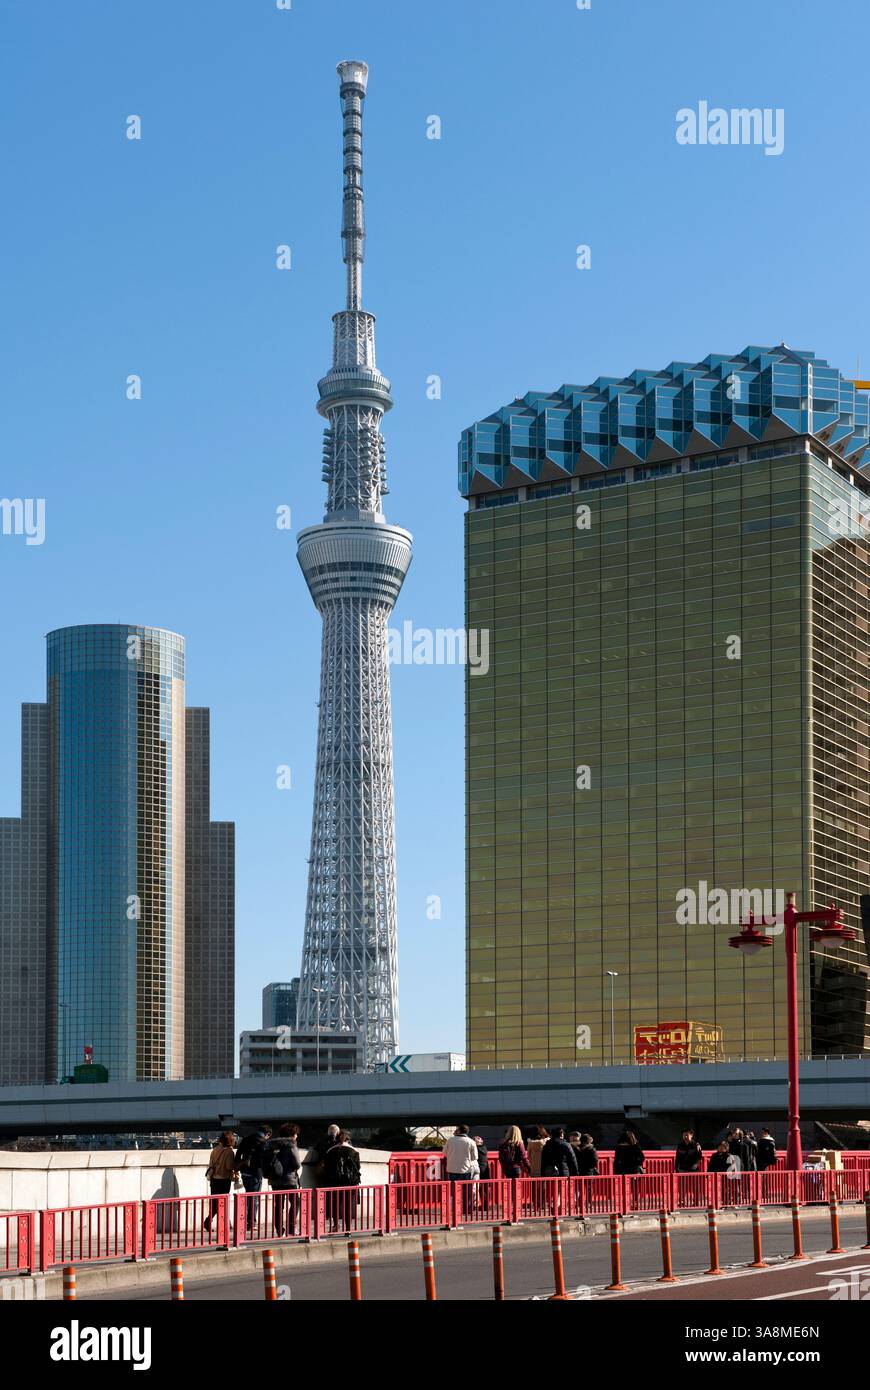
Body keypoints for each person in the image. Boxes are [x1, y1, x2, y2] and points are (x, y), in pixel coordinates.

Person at [235, 1124, 272, 1232]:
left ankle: (244, 1221)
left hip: (244, 1172)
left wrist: (238, 1167)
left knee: (247, 1196)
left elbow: (238, 1154)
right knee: (254, 1199)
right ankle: (252, 1222)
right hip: (256, 1173)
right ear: (267, 1134)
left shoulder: (246, 1139)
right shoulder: (263, 1142)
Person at [323, 1130, 362, 1232]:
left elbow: (326, 1167)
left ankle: (336, 1225)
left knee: (335, 1204)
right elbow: (358, 1167)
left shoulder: (330, 1151)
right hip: (350, 1183)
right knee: (347, 1205)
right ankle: (348, 1229)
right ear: (348, 1139)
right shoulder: (354, 1152)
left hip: (334, 1182)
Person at [267, 1122, 302, 1236]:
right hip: (289, 1179)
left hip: (275, 1179)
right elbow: (297, 1164)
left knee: (278, 1204)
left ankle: (279, 1229)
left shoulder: (272, 1145)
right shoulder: (291, 1145)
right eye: (296, 1134)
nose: (296, 1136)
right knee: (296, 1202)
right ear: (292, 1134)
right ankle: (291, 1227)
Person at [204, 1131, 237, 1231]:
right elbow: (229, 1166)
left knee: (214, 1202)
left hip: (214, 1179)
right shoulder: (229, 1152)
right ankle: (223, 1224)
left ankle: (209, 1221)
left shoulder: (215, 1149)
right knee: (222, 1202)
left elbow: (211, 1163)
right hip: (224, 1180)